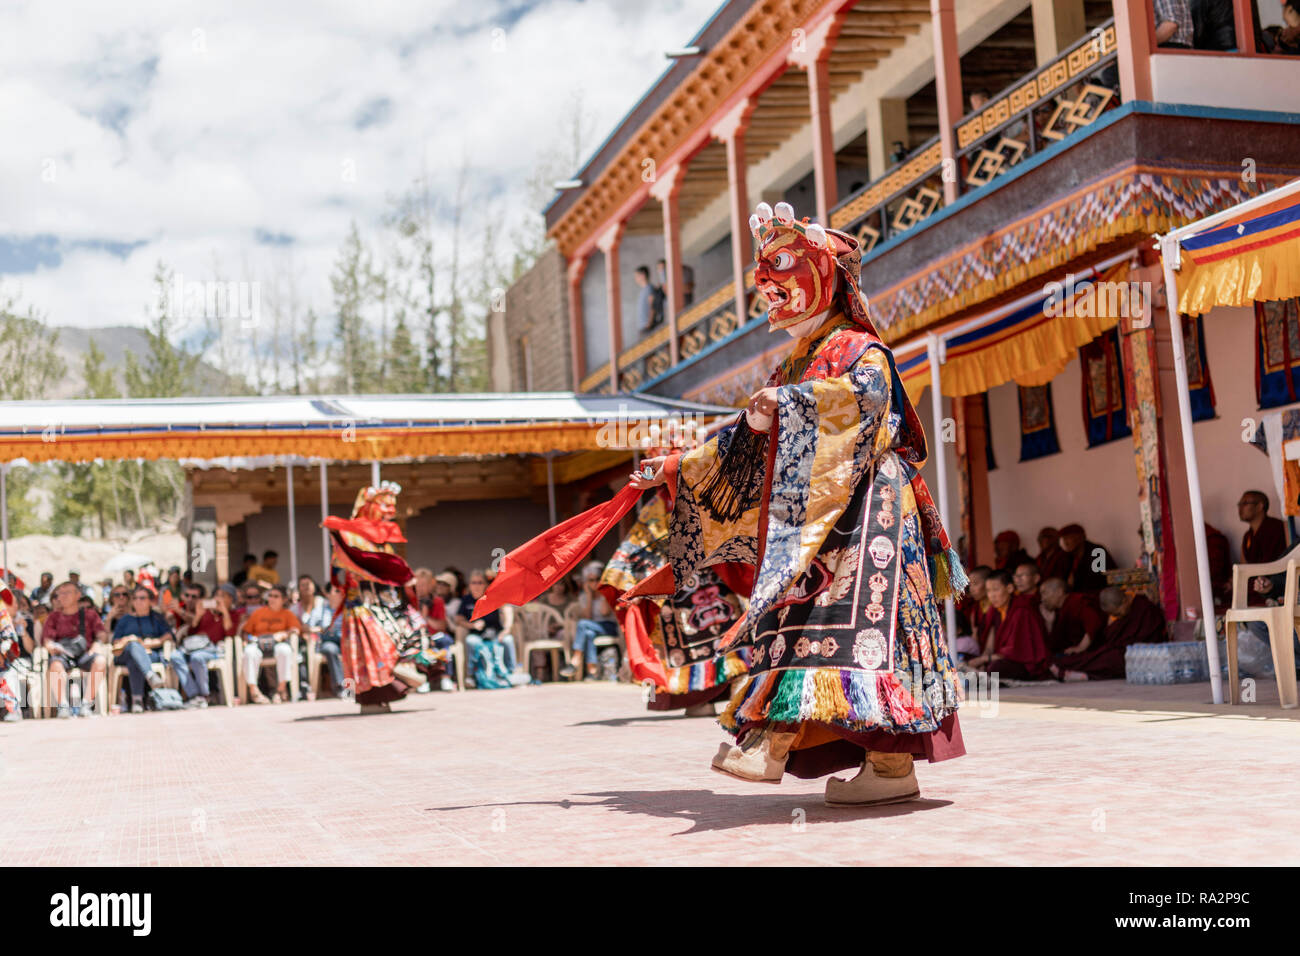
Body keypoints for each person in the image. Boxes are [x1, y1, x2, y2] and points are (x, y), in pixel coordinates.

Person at [627, 200, 967, 806]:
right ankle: (852, 758)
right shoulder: (797, 359)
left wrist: (788, 406)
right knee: (808, 623)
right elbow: (744, 440)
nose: (767, 286)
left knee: (853, 629)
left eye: (782, 268)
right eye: (764, 274)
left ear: (826, 275)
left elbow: (862, 402)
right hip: (815, 521)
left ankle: (854, 759)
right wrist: (682, 465)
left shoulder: (861, 350)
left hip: (869, 513)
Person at [601, 484, 750, 715]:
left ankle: (731, 698)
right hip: (678, 591)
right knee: (689, 648)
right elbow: (643, 545)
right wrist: (633, 585)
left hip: (717, 580)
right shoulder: (659, 507)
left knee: (733, 646)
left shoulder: (709, 491)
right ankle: (699, 701)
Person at [322, 482, 432, 711]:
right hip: (362, 606)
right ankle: (371, 699)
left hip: (386, 603)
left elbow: (392, 570)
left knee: (416, 627)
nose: (386, 514)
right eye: (382, 507)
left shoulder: (381, 542)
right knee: (373, 653)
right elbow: (346, 565)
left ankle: (406, 675)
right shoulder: (350, 537)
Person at [1050, 586, 1166, 681]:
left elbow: (1151, 638)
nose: (1118, 617)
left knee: (1110, 661)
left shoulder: (1145, 608)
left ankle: (1077, 671)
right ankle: (1072, 669)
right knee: (1097, 656)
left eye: (1118, 613)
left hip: (1139, 654)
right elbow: (1111, 636)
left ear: (1125, 601)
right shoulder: (1124, 611)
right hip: (1118, 650)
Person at [968, 570, 1050, 680]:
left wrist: (984, 660)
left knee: (995, 668)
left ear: (1010, 588)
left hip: (1024, 663)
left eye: (996, 590)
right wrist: (983, 659)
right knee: (971, 662)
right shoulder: (994, 611)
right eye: (988, 591)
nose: (992, 595)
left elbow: (1016, 650)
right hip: (999, 658)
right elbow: (989, 646)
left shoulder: (1021, 610)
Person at [43, 581, 108, 718]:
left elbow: (102, 634)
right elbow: (47, 640)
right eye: (60, 593)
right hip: (63, 655)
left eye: (67, 592)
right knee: (55, 665)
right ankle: (63, 706)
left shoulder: (90, 615)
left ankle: (86, 704)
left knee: (101, 661)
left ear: (78, 595)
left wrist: (98, 643)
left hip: (85, 654)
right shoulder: (53, 617)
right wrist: (51, 647)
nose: (63, 596)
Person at [111, 587, 173, 712]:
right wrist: (129, 639)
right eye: (135, 598)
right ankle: (150, 675)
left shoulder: (156, 618)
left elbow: (169, 635)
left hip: (150, 653)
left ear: (150, 601)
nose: (138, 601)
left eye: (142, 598)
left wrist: (154, 642)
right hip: (125, 653)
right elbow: (115, 641)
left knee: (134, 660)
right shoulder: (125, 620)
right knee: (134, 647)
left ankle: (137, 701)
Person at [171, 582, 233, 706]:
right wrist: (199, 614)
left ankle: (204, 695)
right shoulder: (205, 612)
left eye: (222, 596)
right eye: (216, 595)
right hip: (194, 646)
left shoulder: (228, 615)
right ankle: (194, 694)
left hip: (212, 649)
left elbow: (229, 631)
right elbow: (193, 627)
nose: (218, 599)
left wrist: (224, 612)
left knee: (197, 657)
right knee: (175, 657)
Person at [237, 584, 301, 703]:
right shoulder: (258, 612)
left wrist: (284, 633)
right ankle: (254, 691)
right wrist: (246, 640)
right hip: (258, 642)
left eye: (276, 596)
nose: (271, 599)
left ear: (284, 599)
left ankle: (281, 690)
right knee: (249, 652)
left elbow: (296, 629)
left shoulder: (287, 614)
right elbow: (246, 632)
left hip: (277, 643)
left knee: (285, 651)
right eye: (270, 596)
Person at [454, 568, 517, 688]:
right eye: (473, 582)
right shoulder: (466, 599)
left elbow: (507, 611)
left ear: (486, 585)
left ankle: (511, 672)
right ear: (469, 585)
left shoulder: (493, 596)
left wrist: (505, 630)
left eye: (480, 582)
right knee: (470, 641)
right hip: (477, 635)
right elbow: (458, 619)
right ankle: (471, 676)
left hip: (495, 634)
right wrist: (471, 625)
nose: (476, 586)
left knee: (508, 640)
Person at [562, 561, 619, 680]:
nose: (594, 583)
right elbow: (588, 616)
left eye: (597, 579)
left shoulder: (607, 592)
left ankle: (575, 660)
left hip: (609, 626)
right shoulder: (584, 596)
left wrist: (602, 592)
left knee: (583, 624)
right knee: (588, 633)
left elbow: (605, 613)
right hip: (593, 626)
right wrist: (588, 596)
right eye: (590, 580)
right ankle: (592, 671)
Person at [1038, 578, 1105, 655]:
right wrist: (1049, 623)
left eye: (1044, 593)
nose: (1042, 599)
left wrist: (1081, 647)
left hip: (1094, 651)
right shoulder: (1058, 611)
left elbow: (1093, 622)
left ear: (1059, 592)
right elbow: (1056, 644)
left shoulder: (1076, 602)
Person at [291, 574, 332, 699]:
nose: (306, 587)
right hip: (302, 642)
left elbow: (327, 626)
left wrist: (311, 630)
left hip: (321, 640)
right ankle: (304, 686)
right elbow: (293, 626)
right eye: (302, 585)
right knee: (300, 652)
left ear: (314, 586)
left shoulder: (324, 604)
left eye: (308, 584)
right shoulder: (294, 608)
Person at [1059, 523, 1115, 594]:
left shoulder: (1097, 552)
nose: (1066, 543)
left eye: (1068, 538)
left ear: (1081, 537)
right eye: (1064, 539)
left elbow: (1097, 581)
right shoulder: (1069, 556)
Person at [633, 265, 665, 334]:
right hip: (643, 326)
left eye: (637, 276)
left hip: (647, 327)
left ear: (643, 275)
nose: (636, 279)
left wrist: (649, 323)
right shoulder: (643, 290)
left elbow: (653, 306)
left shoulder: (649, 289)